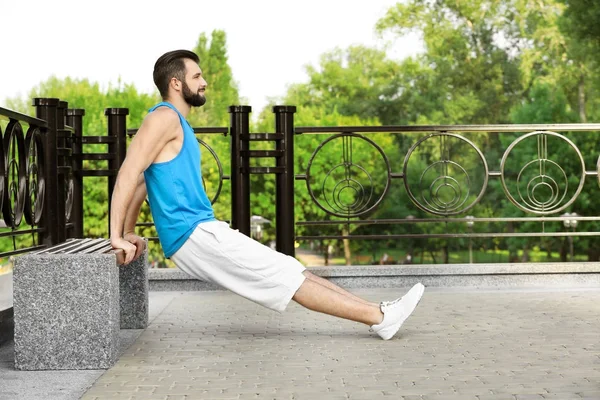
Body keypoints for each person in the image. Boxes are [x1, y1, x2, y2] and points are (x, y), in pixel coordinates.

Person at [109, 49, 425, 340]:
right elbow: (128, 172)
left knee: (289, 269)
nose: (204, 82)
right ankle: (379, 317)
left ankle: (380, 313)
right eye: (197, 77)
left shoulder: (177, 123)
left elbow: (142, 183)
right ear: (176, 83)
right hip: (193, 234)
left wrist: (129, 231)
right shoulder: (162, 118)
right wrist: (117, 237)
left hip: (200, 230)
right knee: (285, 277)